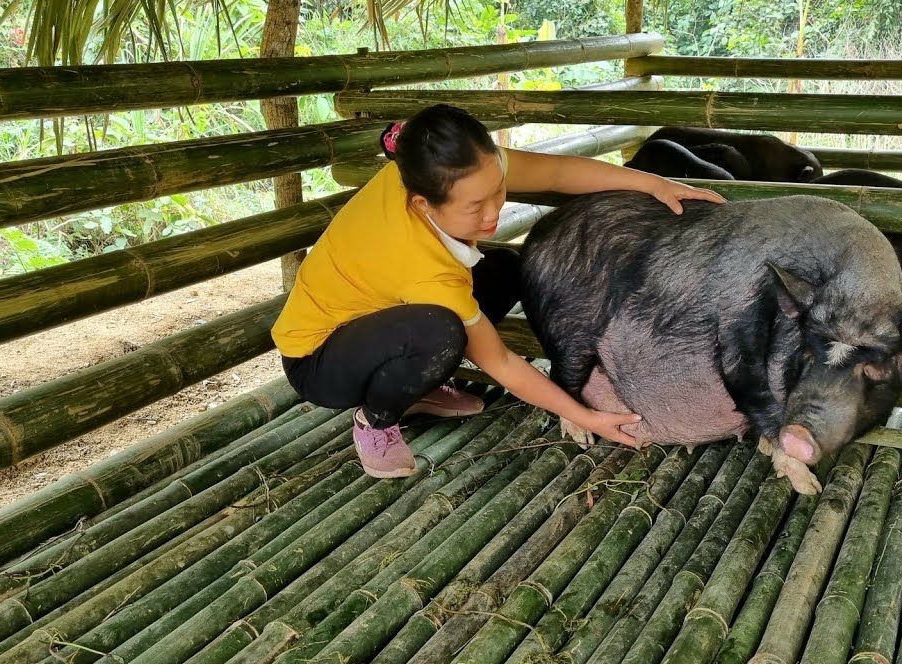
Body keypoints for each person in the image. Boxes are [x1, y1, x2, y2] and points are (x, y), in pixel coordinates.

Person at [271, 104, 726, 479]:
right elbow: (502, 362)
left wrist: (653, 183)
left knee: (505, 266)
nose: (492, 215)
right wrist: (585, 415)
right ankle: (375, 420)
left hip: (385, 322)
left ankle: (418, 387)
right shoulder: (421, 266)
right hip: (320, 360)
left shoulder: (436, 169)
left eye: (498, 192)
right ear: (423, 205)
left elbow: (558, 173)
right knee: (441, 333)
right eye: (475, 207)